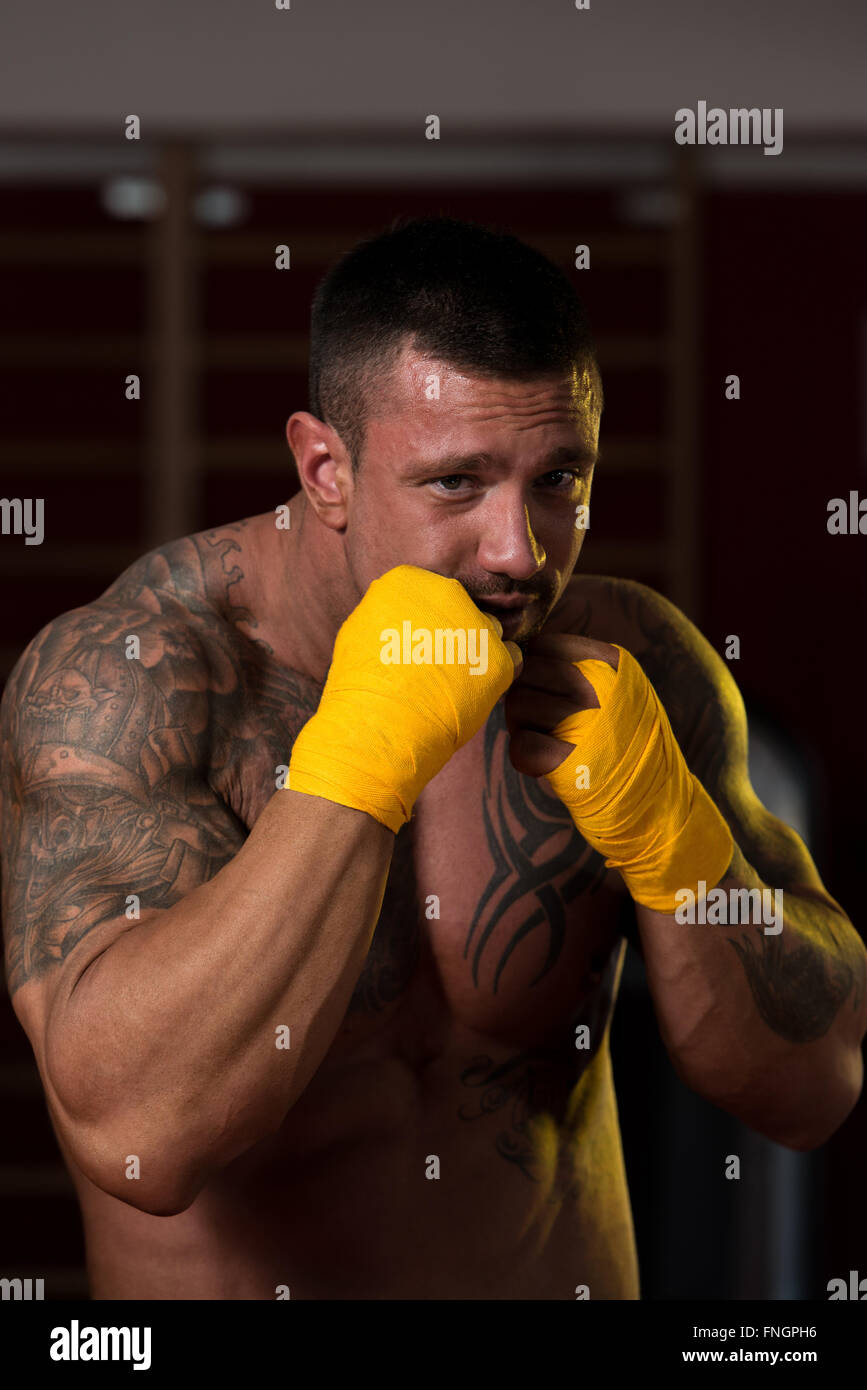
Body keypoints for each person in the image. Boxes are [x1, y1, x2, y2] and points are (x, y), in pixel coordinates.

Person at [1, 216, 864, 1301]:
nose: (519, 551)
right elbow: (138, 1136)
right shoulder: (140, 680)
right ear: (325, 468)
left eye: (559, 480)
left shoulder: (633, 666)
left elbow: (816, 1083)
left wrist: (679, 840)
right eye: (456, 484)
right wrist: (358, 763)